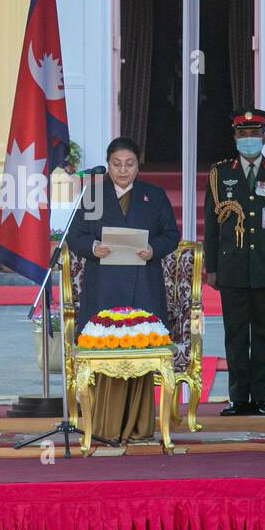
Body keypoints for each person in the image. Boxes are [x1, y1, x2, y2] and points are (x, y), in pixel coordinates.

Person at [67, 137, 180, 443]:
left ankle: (140, 425)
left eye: (129, 164)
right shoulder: (94, 195)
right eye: (117, 164)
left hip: (143, 286)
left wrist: (152, 249)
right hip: (103, 287)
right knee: (105, 355)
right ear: (108, 165)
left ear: (138, 166)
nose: (123, 170)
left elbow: (171, 235)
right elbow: (74, 237)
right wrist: (93, 247)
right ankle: (103, 424)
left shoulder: (153, 196)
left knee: (139, 354)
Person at [203, 108, 265, 416]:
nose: (249, 140)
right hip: (232, 267)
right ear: (235, 138)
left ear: (264, 137)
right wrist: (212, 267)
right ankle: (237, 399)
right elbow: (212, 225)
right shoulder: (221, 174)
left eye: (254, 134)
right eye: (243, 134)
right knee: (235, 334)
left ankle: (260, 399)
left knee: (264, 334)